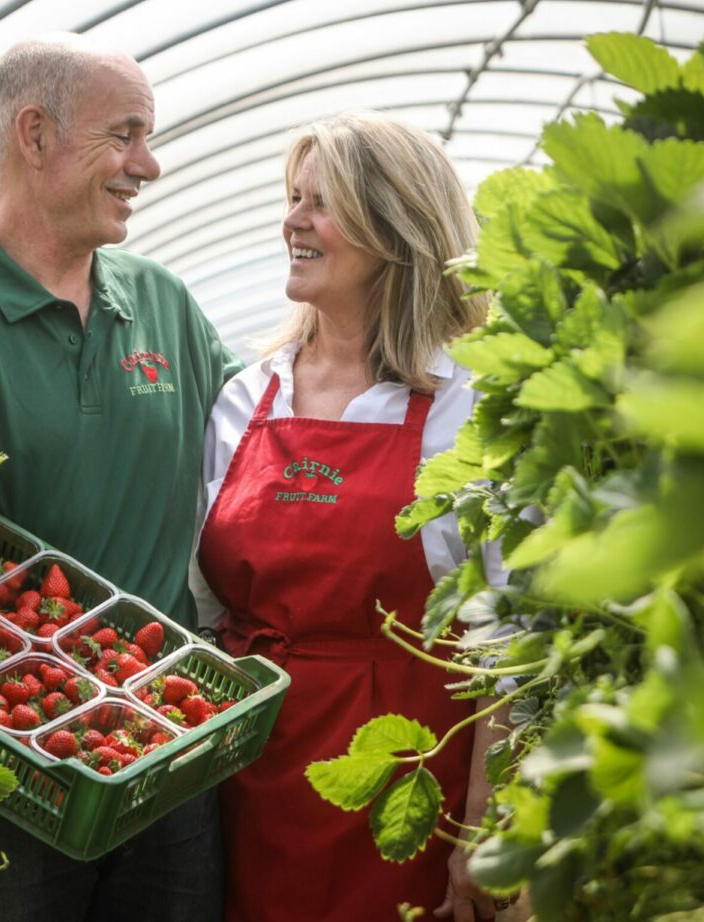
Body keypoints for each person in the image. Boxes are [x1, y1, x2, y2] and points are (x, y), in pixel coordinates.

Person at [0, 34, 241, 922]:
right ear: (34, 135)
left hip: (164, 735)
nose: (147, 164)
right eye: (125, 134)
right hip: (3, 749)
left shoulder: (160, 301)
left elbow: (267, 430)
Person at [191, 112, 512, 921]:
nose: (293, 221)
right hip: (249, 778)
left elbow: (510, 651)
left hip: (405, 785)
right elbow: (202, 610)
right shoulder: (246, 396)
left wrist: (482, 835)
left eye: (321, 204)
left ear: (396, 232)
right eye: (293, 198)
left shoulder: (464, 406)